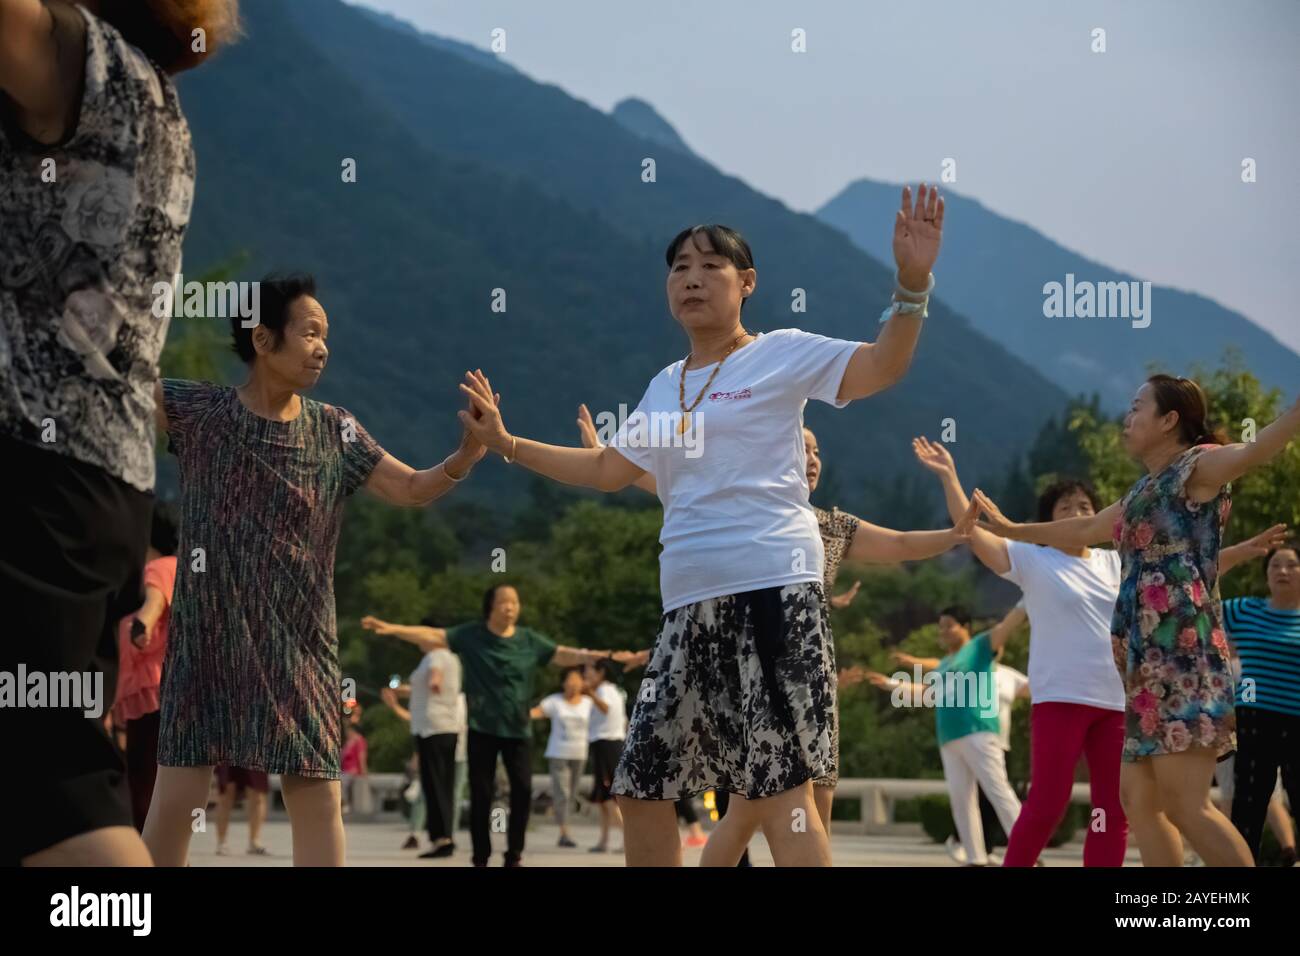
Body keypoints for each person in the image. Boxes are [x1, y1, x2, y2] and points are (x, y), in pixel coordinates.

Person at [460, 190, 944, 866]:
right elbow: (607, 467)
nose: (690, 276)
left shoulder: (780, 355)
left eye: (711, 266)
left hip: (771, 591)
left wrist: (912, 284)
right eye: (679, 265)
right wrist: (508, 444)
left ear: (746, 284)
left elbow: (881, 365)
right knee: (644, 783)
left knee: (781, 795)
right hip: (687, 606)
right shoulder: (666, 385)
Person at [142, 273, 490, 867]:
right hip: (208, 638)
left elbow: (409, 487)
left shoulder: (335, 430)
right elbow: (120, 389)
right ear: (263, 339)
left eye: (326, 335)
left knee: (316, 790)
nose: (323, 347)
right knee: (177, 795)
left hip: (300, 641)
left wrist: (466, 454)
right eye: (309, 333)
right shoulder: (199, 412)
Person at [0, 0, 239, 866]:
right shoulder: (144, 99)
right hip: (81, 478)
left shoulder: (94, 69)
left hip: (40, 474)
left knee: (50, 782)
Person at [577, 413, 968, 843]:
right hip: (741, 673)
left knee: (814, 801)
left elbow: (902, 543)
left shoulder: (833, 527)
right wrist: (606, 459)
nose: (813, 458)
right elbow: (667, 483)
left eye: (818, 450)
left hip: (807, 679)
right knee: (741, 810)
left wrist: (954, 534)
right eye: (802, 448)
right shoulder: (737, 505)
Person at [971, 375, 1300, 866]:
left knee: (1188, 806)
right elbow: (1084, 527)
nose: (1128, 417)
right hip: (1145, 668)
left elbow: (1256, 450)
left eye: (1137, 407)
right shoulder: (1143, 490)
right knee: (1140, 802)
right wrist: (1012, 528)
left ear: (1170, 421)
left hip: (1185, 658)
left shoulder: (1198, 465)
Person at [361, 584, 640, 866]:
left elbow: (562, 654)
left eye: (515, 603)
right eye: (504, 602)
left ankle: (513, 853)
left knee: (522, 791)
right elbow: (433, 635)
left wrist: (606, 654)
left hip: (518, 729)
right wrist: (392, 627)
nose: (510, 608)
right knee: (481, 793)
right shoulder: (471, 635)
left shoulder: (528, 640)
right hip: (482, 728)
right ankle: (480, 855)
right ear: (490, 608)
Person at [858, 606, 1024, 866]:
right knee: (962, 800)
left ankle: (1028, 854)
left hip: (978, 732)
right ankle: (975, 858)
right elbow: (927, 693)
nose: (943, 631)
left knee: (999, 792)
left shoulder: (980, 647)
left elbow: (1006, 626)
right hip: (950, 738)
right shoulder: (945, 664)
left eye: (949, 625)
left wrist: (1026, 599)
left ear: (965, 627)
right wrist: (890, 683)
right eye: (941, 626)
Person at [1221, 536, 1300, 862]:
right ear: (1266, 574)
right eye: (1275, 565)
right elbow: (1199, 597)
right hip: (1254, 717)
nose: (1283, 570)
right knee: (1248, 809)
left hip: (1297, 722)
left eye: (1292, 564)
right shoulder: (1243, 611)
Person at [112, 503, 179, 832]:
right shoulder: (179, 567)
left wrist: (142, 626)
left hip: (152, 689)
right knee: (157, 783)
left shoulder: (158, 569)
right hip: (164, 689)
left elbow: (154, 605)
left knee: (143, 784)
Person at [584, 656, 648, 853]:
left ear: (601, 672)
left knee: (612, 796)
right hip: (603, 744)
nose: (586, 675)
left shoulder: (607, 690)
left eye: (589, 671)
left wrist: (590, 694)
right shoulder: (609, 691)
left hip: (608, 745)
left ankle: (629, 838)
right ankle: (604, 841)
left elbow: (606, 709)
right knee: (603, 798)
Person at [531, 667, 595, 848]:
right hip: (558, 753)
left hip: (579, 753)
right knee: (562, 794)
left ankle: (566, 828)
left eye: (577, 680)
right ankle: (564, 832)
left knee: (572, 794)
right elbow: (538, 712)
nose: (574, 684)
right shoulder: (555, 701)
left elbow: (604, 717)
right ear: (563, 683)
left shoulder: (588, 703)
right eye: (570, 680)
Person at [213, 765, 269, 856]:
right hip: (229, 752)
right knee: (225, 793)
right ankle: (221, 842)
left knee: (257, 794)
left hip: (255, 752)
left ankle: (254, 842)